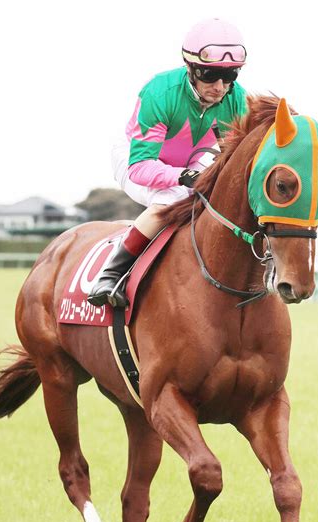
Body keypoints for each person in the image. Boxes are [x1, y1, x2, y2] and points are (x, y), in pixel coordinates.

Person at [87, 17, 248, 308]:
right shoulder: (160, 92)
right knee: (170, 200)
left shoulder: (237, 99)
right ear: (191, 69)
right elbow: (140, 167)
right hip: (136, 158)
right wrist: (182, 177)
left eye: (229, 76)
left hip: (191, 160)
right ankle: (110, 275)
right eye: (210, 75)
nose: (220, 86)